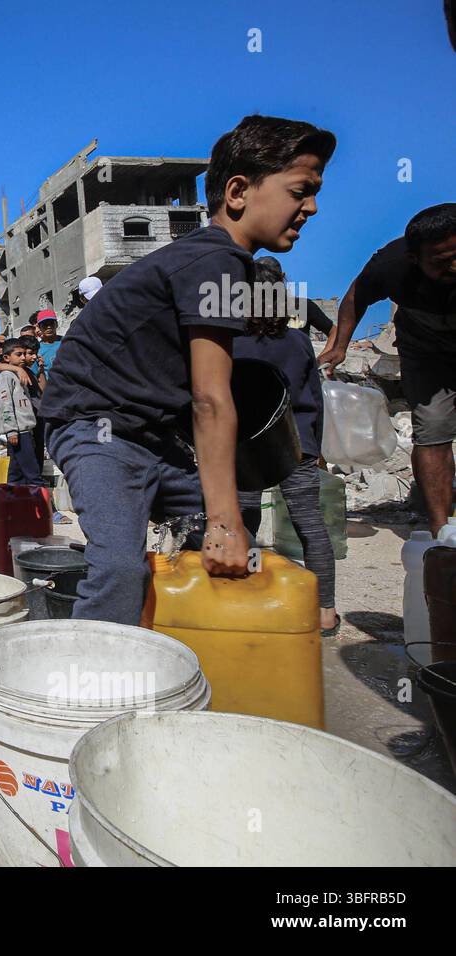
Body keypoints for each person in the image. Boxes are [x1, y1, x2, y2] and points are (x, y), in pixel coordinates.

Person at [40, 114, 336, 625]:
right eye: (299, 190)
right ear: (239, 191)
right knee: (119, 566)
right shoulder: (213, 261)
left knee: (232, 537)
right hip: (97, 430)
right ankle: (88, 689)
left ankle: (200, 661)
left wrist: (225, 520)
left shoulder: (229, 264)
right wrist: (221, 522)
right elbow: (209, 398)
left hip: (160, 437)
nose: (310, 207)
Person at [319, 203, 456, 537]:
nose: (455, 266)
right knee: (433, 430)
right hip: (426, 349)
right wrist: (338, 347)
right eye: (441, 262)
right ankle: (441, 531)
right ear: (414, 259)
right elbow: (355, 297)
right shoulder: (392, 265)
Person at [234, 259, 340, 637]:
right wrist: (317, 446)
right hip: (298, 444)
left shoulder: (230, 344)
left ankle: (248, 597)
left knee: (244, 522)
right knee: (310, 525)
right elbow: (316, 398)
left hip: (248, 447)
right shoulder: (298, 342)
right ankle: (325, 612)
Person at [0, 338, 43, 484]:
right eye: (19, 354)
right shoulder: (5, 377)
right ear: (7, 358)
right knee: (32, 473)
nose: (23, 357)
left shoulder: (18, 374)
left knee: (16, 474)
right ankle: (43, 504)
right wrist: (11, 430)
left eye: (24, 354)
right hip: (19, 432)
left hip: (25, 431)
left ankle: (11, 503)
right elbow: (5, 405)